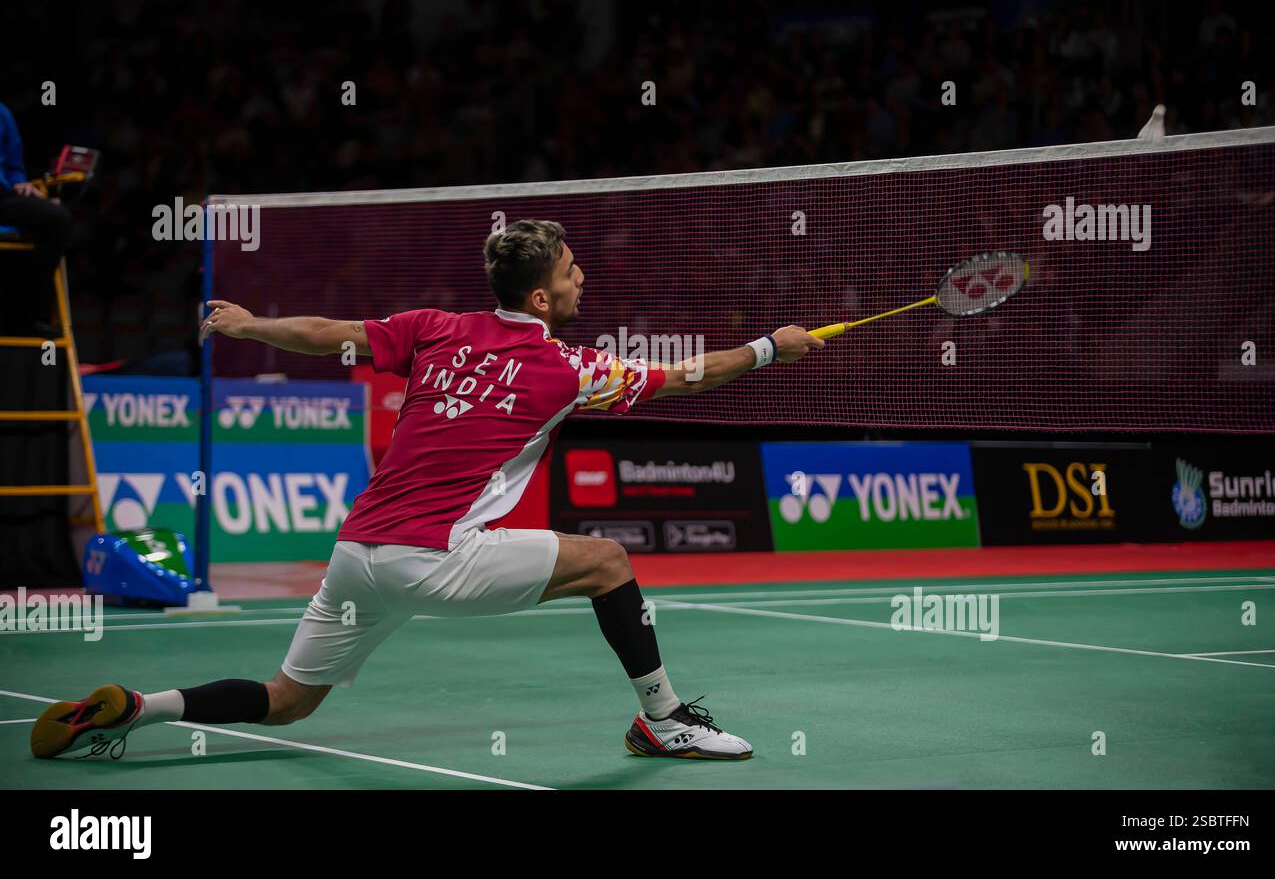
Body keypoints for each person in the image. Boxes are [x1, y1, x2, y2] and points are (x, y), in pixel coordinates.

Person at [31, 219, 824, 762]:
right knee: (609, 562)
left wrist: (247, 325)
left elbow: (331, 335)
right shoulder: (570, 368)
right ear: (541, 299)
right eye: (571, 272)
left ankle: (141, 706)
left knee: (288, 699)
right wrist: (769, 346)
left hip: (355, 555)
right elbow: (686, 378)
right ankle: (664, 722)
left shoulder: (434, 327)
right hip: (434, 556)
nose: (583, 279)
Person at [0, 101, 74, 335]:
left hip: (2, 196)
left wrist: (19, 182)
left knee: (57, 220)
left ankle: (23, 318)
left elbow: (13, 165)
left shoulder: (2, 113)